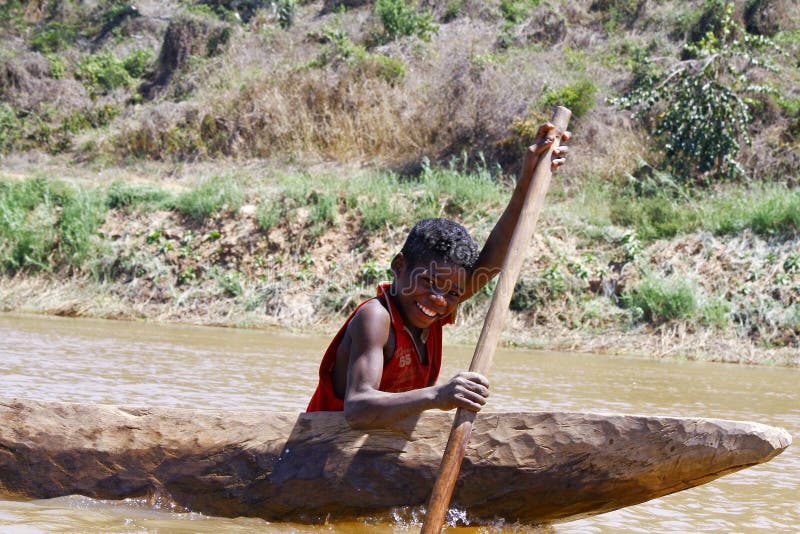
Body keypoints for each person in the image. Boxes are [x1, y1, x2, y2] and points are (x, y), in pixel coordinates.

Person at [306, 123, 569, 429]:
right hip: (320, 459)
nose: (438, 300)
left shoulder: (435, 307)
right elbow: (358, 408)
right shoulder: (376, 318)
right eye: (429, 282)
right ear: (400, 266)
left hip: (376, 459)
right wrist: (438, 395)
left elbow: (493, 259)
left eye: (453, 293)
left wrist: (527, 182)